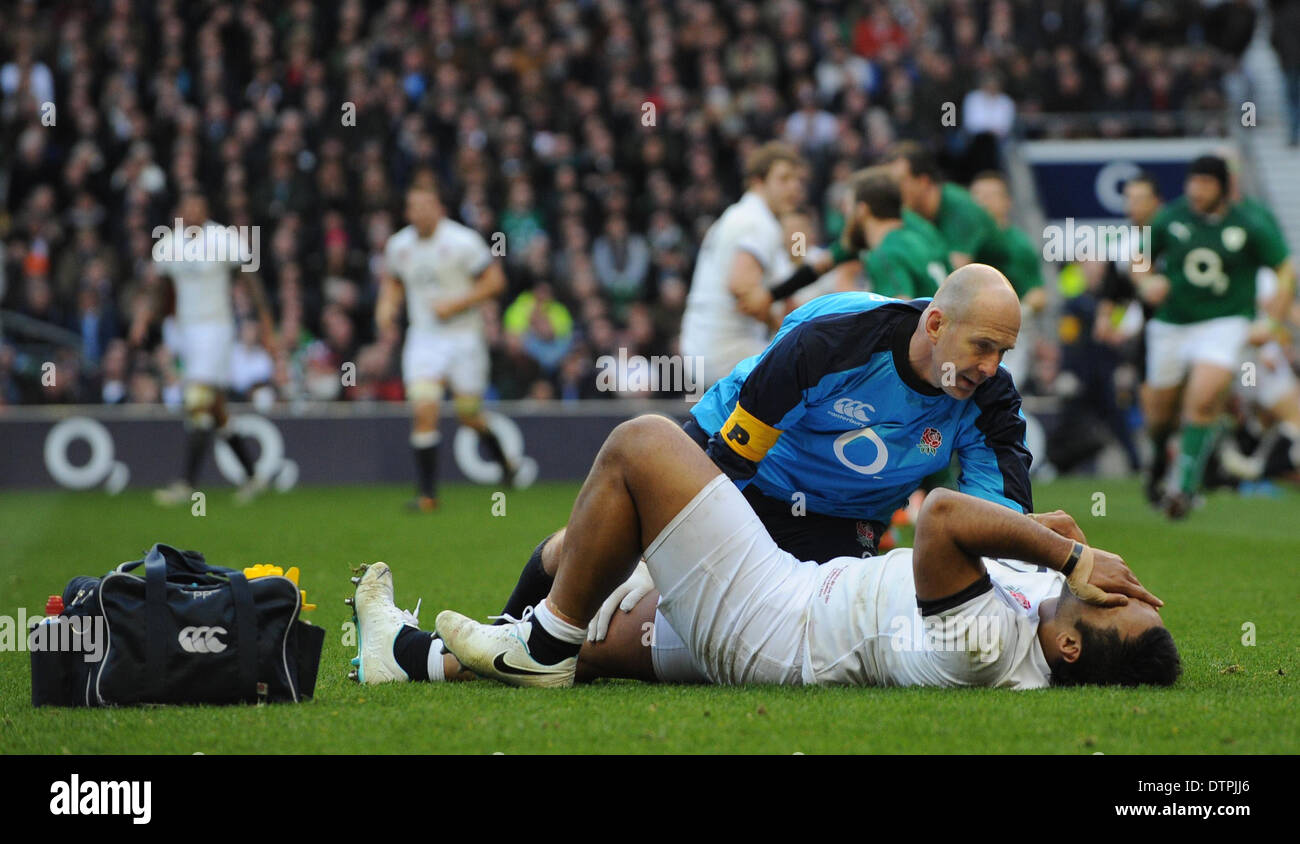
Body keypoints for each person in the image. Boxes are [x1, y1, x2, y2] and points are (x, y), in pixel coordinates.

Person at [347, 415, 1177, 690]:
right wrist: (1066, 549)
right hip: (796, 597)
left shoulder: (992, 651)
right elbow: (1047, 528)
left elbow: (947, 518)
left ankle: (537, 647)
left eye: (1116, 603)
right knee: (588, 576)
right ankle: (402, 655)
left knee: (642, 445)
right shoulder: (1042, 619)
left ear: (1072, 645)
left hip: (776, 628)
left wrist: (1069, 562)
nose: (1120, 586)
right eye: (1134, 590)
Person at [1134, 155, 1294, 518]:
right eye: (1193, 181)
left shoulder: (1249, 223)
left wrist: (1272, 323)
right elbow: (1140, 259)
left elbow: (1285, 269)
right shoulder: (1171, 217)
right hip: (1172, 323)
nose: (1196, 190)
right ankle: (1159, 457)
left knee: (1204, 399)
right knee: (1160, 415)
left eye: (1206, 183)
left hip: (1225, 322)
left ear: (1221, 187)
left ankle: (1183, 488)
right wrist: (1146, 282)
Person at [377, 172, 518, 512]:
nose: (419, 212)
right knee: (424, 408)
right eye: (413, 207)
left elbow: (496, 282)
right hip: (424, 339)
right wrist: (386, 308)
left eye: (425, 206)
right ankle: (428, 496)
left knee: (469, 414)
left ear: (439, 208)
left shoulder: (463, 241)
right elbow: (394, 282)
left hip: (464, 338)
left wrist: (456, 303)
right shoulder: (399, 246)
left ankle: (505, 462)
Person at [150, 189, 272, 506]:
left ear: (206, 210)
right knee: (215, 410)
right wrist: (148, 320)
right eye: (186, 207)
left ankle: (186, 483)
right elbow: (163, 289)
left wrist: (264, 317)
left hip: (216, 327)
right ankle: (253, 475)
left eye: (197, 206)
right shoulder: (168, 245)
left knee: (197, 399)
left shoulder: (224, 239)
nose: (192, 212)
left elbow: (248, 276)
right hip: (186, 331)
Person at [679, 141, 805, 387]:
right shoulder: (757, 222)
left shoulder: (742, 216)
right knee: (810, 383)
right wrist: (787, 329)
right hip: (726, 348)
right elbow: (743, 289)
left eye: (797, 180)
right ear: (758, 182)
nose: (794, 187)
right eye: (784, 179)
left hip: (705, 345)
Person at [885, 141, 999, 270]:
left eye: (900, 181)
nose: (893, 190)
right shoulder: (918, 214)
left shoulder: (961, 208)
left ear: (923, 182)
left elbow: (956, 273)